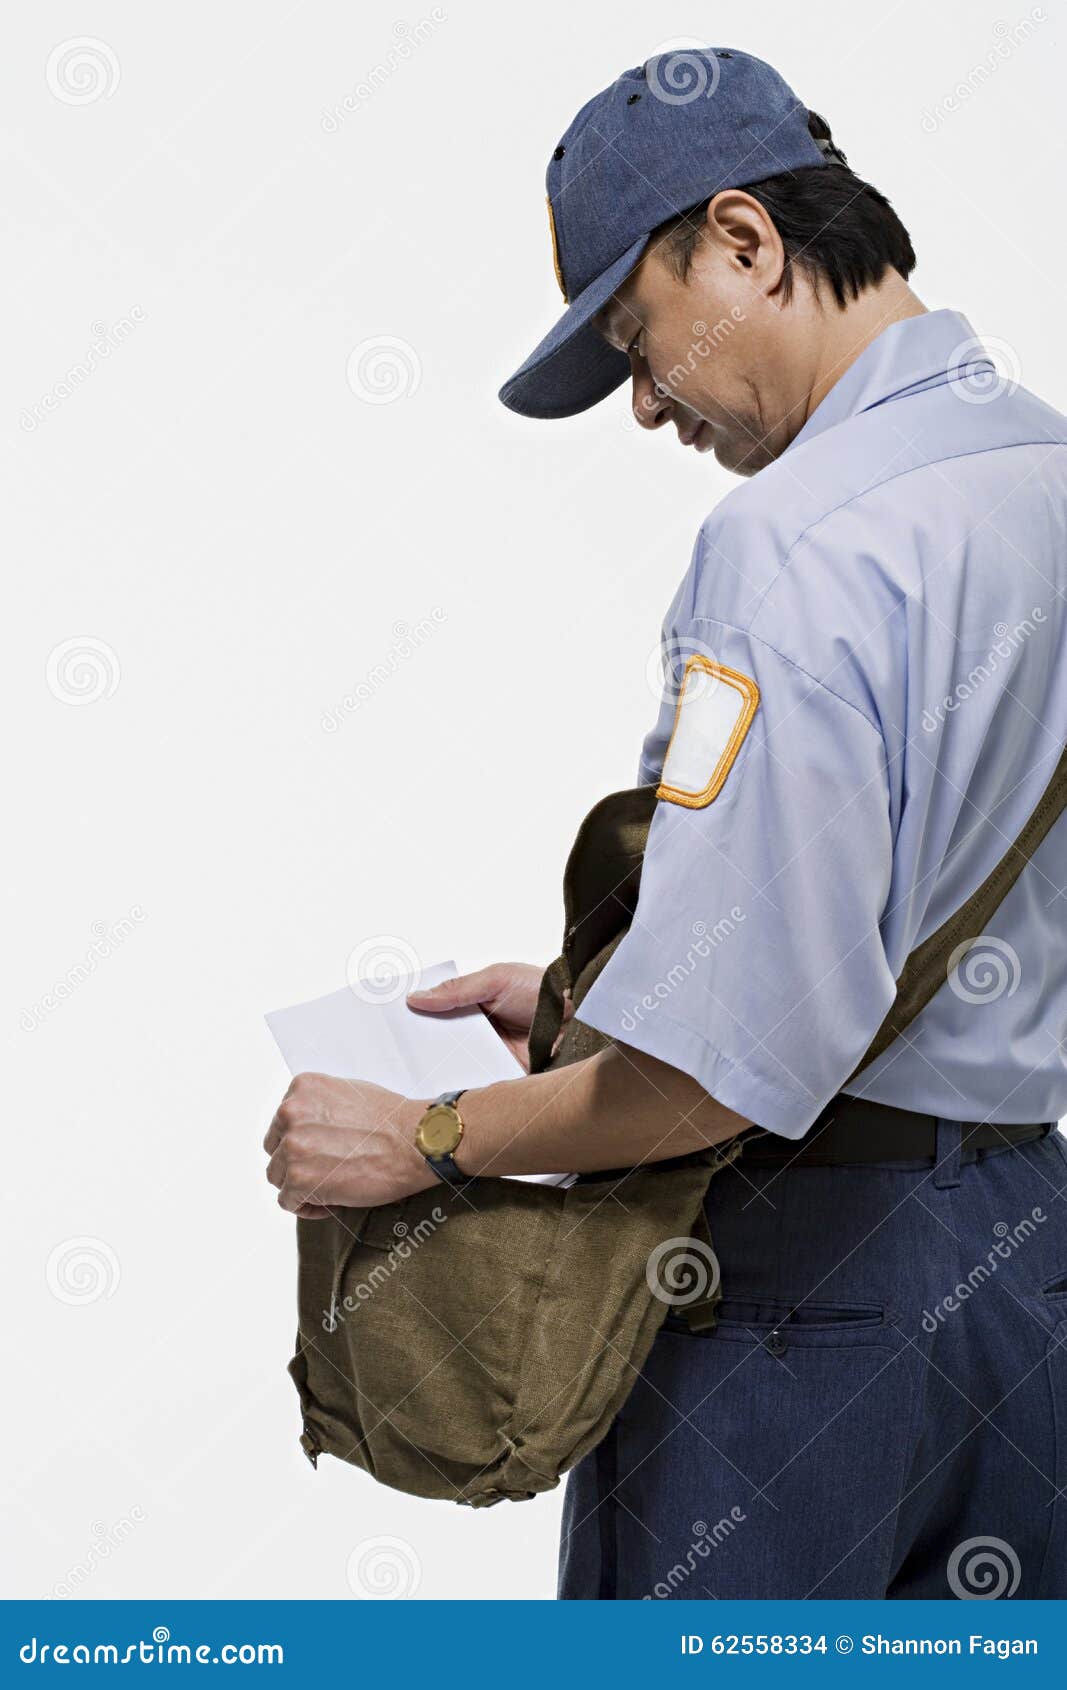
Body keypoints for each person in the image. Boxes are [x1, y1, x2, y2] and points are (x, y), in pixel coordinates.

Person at [265, 48, 1067, 1599]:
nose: (645, 406)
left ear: (749, 241)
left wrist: (428, 1138)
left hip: (801, 1300)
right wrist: (588, 1001)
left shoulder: (790, 546)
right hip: (1030, 1278)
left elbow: (719, 1072)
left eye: (639, 337)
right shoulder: (1043, 476)